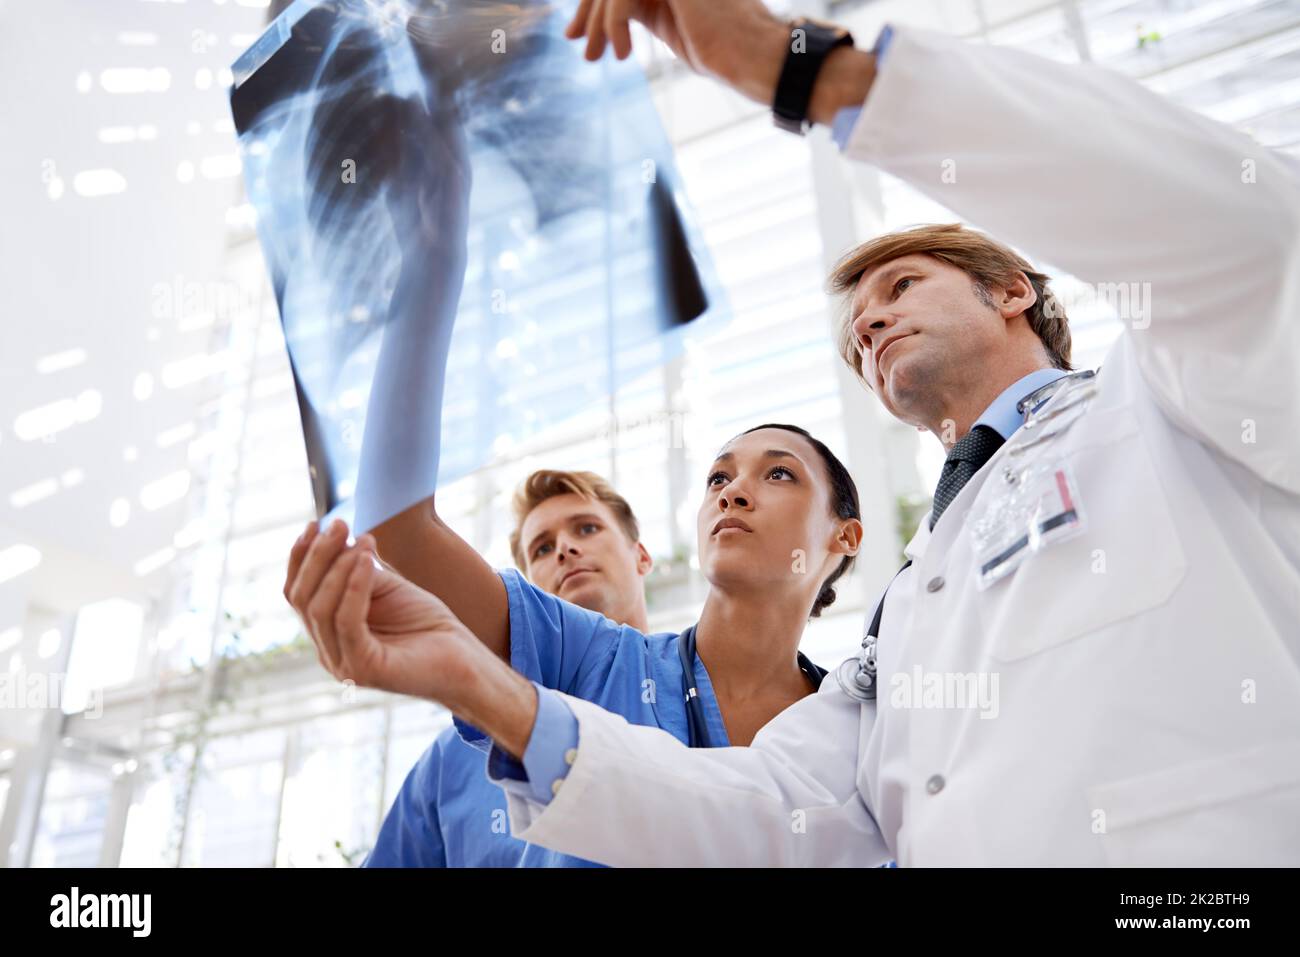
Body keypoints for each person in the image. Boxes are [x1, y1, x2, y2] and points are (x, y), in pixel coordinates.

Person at [286, 0, 1300, 866]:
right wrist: (491, 695)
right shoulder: (904, 619)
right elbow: (770, 810)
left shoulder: (1170, 401)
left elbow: (1246, 240)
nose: (870, 322)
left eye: (901, 287)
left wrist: (807, 70)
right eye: (856, 331)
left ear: (1013, 292)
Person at [285, 422, 863, 857]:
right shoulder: (589, 657)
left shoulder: (862, 738)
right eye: (718, 477)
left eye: (779, 473)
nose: (732, 493)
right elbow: (398, 522)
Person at [364, 469, 656, 867]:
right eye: (541, 549)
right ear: (529, 586)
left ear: (641, 555)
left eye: (587, 529)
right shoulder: (452, 760)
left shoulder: (702, 685)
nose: (565, 549)